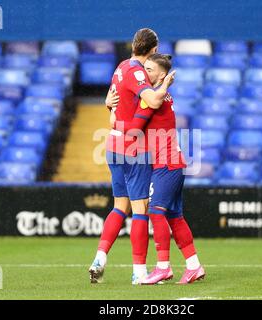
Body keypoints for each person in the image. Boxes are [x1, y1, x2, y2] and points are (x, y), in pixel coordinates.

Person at [109, 53, 205, 284]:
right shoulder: (164, 95)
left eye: (150, 69)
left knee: (155, 211)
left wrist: (113, 113)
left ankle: (163, 267)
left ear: (161, 74)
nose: (145, 72)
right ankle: (194, 266)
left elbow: (132, 129)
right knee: (175, 217)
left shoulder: (152, 99)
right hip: (174, 162)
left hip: (165, 164)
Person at [89, 28, 175, 284]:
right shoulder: (137, 71)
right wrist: (166, 83)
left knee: (119, 206)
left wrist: (108, 104)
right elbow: (153, 100)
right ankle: (139, 272)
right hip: (133, 148)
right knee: (140, 209)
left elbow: (113, 101)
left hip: (113, 145)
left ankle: (99, 259)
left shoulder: (120, 66)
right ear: (154, 49)